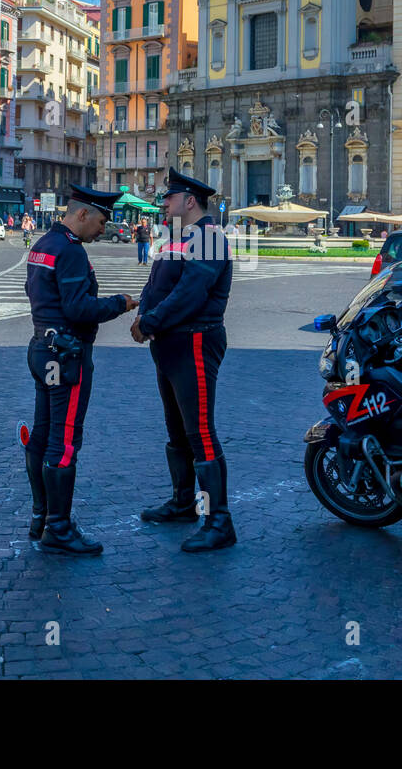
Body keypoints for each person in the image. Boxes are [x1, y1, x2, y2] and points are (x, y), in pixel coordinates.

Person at [24, 184, 138, 556]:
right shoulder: (70, 252)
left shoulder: (43, 244)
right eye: (102, 220)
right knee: (65, 441)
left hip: (42, 349)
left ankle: (41, 517)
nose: (104, 228)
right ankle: (58, 528)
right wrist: (119, 303)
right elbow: (78, 309)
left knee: (41, 435)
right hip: (67, 355)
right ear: (83, 214)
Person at [133, 167, 236, 553]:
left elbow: (189, 295)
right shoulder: (177, 236)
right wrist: (145, 314)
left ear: (189, 201)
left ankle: (219, 520)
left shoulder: (209, 237)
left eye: (168, 198)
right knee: (177, 429)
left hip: (194, 341)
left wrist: (150, 321)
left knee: (200, 432)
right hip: (170, 343)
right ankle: (182, 502)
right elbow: (155, 283)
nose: (163, 204)